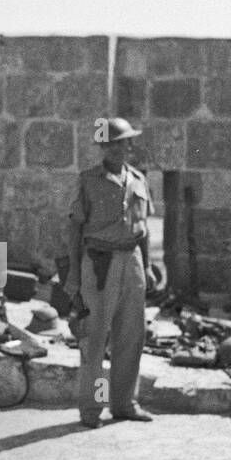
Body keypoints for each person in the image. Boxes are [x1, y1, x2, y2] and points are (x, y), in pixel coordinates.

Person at [64, 116, 157, 428]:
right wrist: (74, 278)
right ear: (103, 147)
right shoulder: (88, 180)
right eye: (113, 143)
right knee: (94, 338)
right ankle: (92, 409)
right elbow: (75, 230)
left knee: (132, 336)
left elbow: (143, 230)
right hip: (99, 263)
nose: (119, 148)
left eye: (124, 142)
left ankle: (125, 403)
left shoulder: (139, 181)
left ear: (131, 145)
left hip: (132, 262)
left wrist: (148, 266)